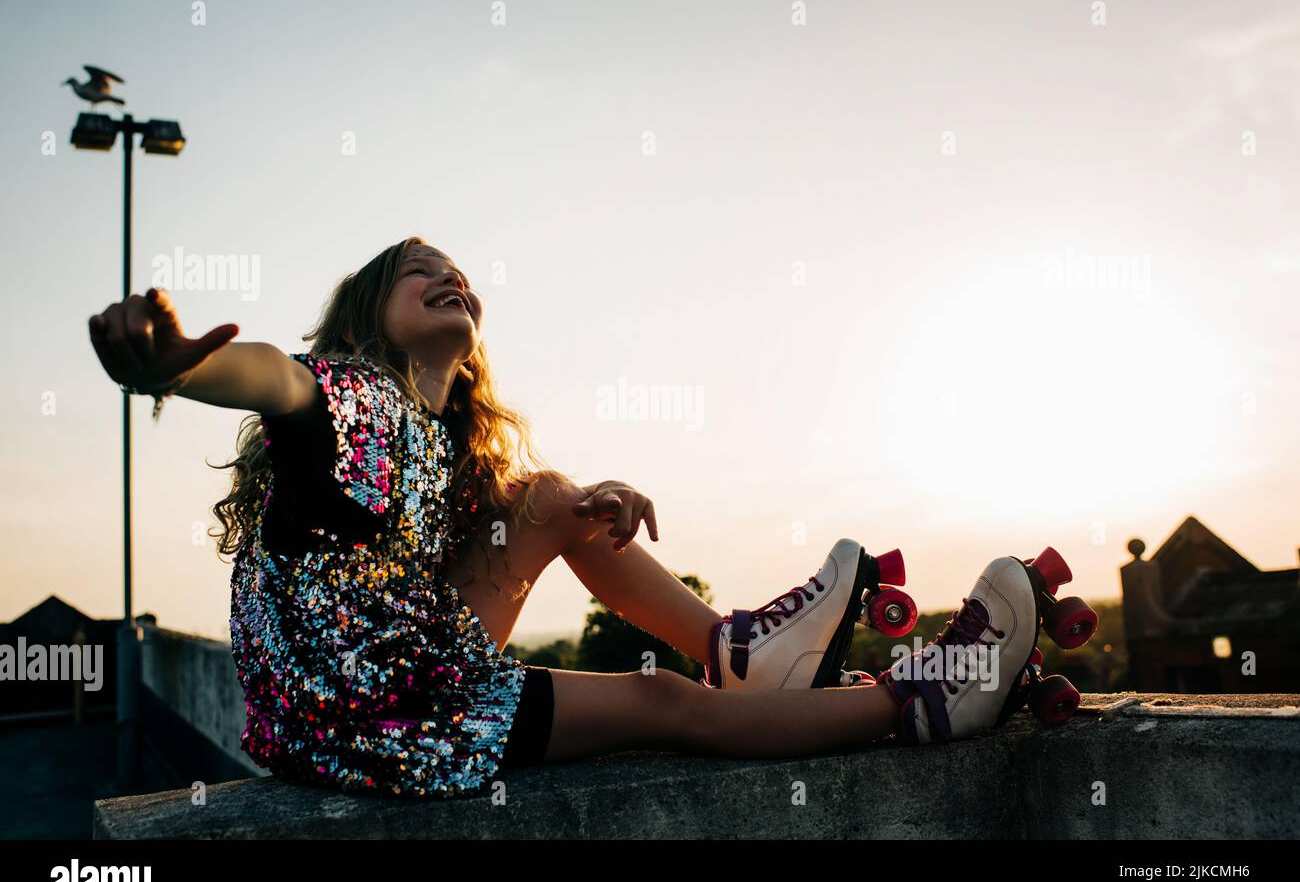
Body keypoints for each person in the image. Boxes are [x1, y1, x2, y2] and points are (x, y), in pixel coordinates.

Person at [87, 237, 1049, 798]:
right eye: (418, 271)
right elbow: (275, 381)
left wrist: (595, 512)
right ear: (368, 316)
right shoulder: (350, 396)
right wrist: (178, 365)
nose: (448, 274)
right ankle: (921, 702)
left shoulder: (443, 447)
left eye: (458, 270)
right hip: (366, 711)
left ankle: (737, 650)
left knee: (548, 497)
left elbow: (515, 526)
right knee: (658, 706)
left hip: (400, 655)